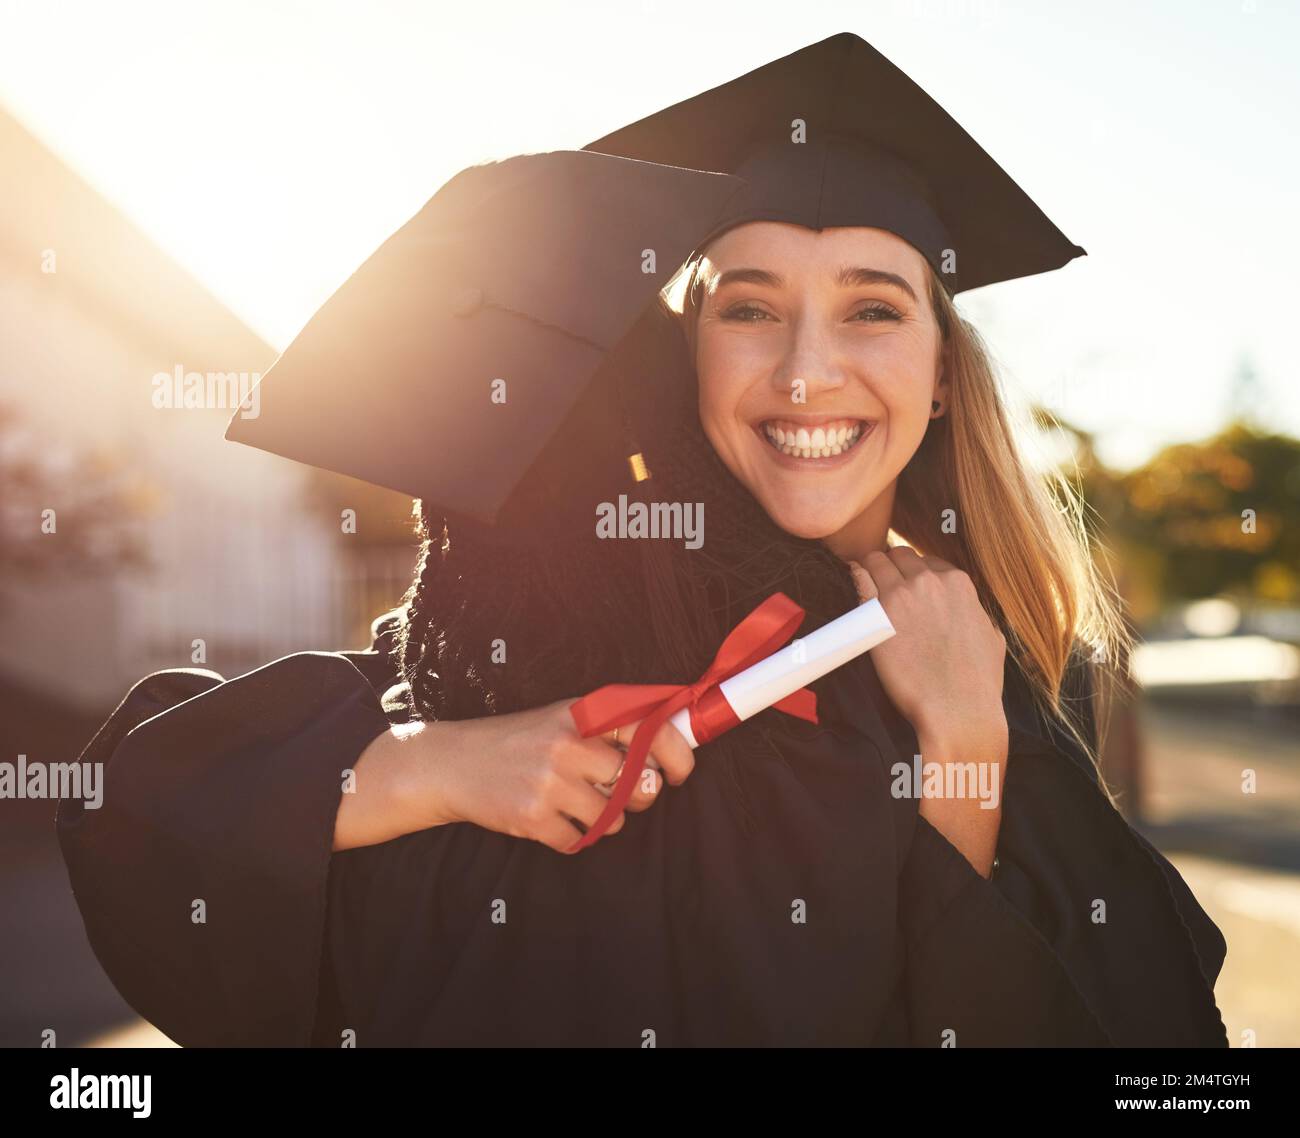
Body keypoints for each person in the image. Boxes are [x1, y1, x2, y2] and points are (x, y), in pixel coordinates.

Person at [57, 33, 1227, 1047]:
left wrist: (963, 736)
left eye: (874, 307)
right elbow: (146, 810)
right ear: (687, 355)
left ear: (936, 379)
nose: (807, 370)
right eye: (749, 308)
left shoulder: (1004, 664)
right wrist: (434, 765)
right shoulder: (542, 633)